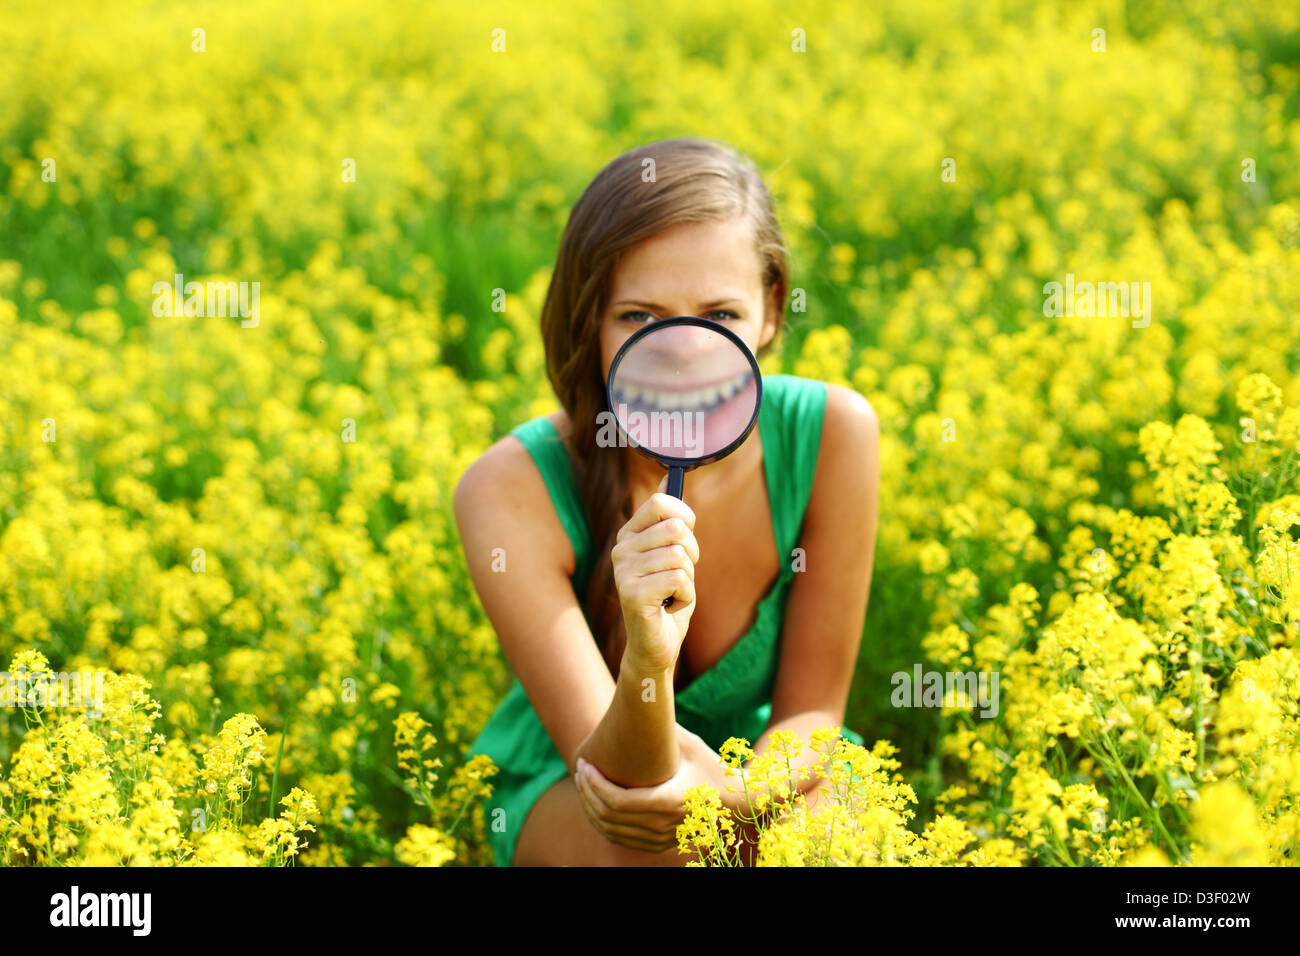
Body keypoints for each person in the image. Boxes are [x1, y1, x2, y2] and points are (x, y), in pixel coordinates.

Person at [455, 137, 879, 866]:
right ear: (590, 320)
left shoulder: (835, 432)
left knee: (837, 830)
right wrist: (646, 659)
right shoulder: (508, 488)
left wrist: (734, 801)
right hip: (585, 781)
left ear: (772, 310)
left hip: (762, 770)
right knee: (670, 857)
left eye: (719, 317)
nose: (684, 354)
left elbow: (811, 712)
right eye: (640, 320)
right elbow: (622, 790)